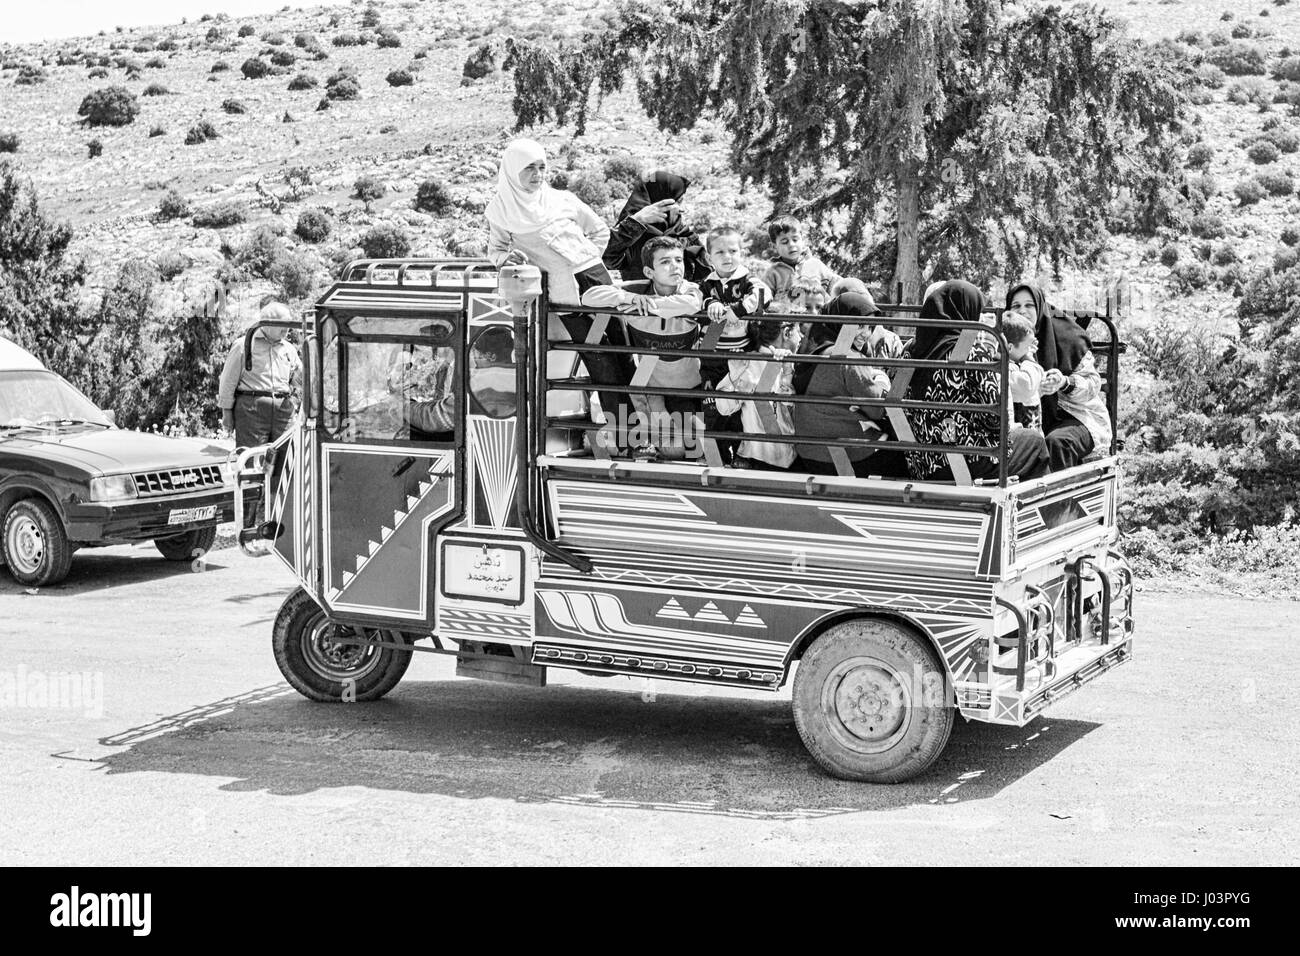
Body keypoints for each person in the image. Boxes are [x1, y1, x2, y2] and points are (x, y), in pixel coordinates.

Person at [484, 138, 633, 445]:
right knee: (600, 361)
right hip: (564, 295)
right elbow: (496, 250)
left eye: (542, 167)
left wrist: (584, 257)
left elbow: (600, 230)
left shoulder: (562, 199)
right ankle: (625, 436)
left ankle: (645, 428)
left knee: (624, 350)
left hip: (595, 279)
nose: (538, 175)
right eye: (530, 168)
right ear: (512, 171)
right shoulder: (500, 210)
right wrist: (506, 259)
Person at [904, 281, 1049, 483]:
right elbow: (996, 418)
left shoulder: (909, 351)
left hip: (923, 465)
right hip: (969, 461)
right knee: (1034, 442)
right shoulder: (971, 352)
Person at [581, 237, 704, 458]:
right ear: (649, 272)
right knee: (666, 449)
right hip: (651, 389)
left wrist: (645, 307)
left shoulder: (691, 289)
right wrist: (628, 298)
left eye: (679, 260)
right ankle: (638, 442)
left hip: (689, 388)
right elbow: (589, 297)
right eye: (665, 262)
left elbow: (691, 304)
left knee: (683, 451)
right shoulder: (638, 291)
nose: (675, 266)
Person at [791, 293, 903, 477]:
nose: (866, 334)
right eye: (859, 325)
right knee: (907, 455)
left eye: (871, 327)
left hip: (811, 453)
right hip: (846, 454)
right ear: (842, 322)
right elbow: (877, 409)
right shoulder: (847, 357)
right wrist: (882, 379)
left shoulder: (815, 349)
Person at [1005, 282, 1112, 469]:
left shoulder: (1067, 338)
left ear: (1039, 307)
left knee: (1057, 442)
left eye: (1029, 305)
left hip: (1074, 415)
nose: (1022, 311)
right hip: (1021, 417)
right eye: (1016, 306)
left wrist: (1064, 382)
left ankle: (1060, 498)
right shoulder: (1006, 340)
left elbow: (1092, 384)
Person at [698, 224, 770, 464]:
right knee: (714, 407)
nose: (727, 257)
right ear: (709, 257)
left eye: (733, 251)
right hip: (713, 358)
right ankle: (715, 456)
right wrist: (712, 305)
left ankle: (741, 455)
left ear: (741, 253)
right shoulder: (706, 284)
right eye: (720, 252)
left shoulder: (749, 280)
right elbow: (701, 300)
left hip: (741, 358)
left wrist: (737, 310)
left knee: (741, 409)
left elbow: (763, 296)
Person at [714, 318, 799, 470]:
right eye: (798, 332)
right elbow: (724, 408)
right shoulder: (748, 364)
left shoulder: (747, 363)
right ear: (787, 333)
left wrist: (733, 377)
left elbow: (723, 407)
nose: (801, 338)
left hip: (759, 457)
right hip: (782, 459)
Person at [219, 297, 301, 450]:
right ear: (267, 322)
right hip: (252, 410)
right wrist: (227, 413)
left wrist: (295, 402)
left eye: (289, 324)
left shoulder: (289, 349)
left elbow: (300, 379)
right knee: (252, 461)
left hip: (283, 410)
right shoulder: (243, 345)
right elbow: (227, 381)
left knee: (286, 460)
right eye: (283, 324)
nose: (287, 329)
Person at [603, 170, 709, 283]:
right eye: (676, 201)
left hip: (680, 299)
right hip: (642, 298)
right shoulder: (632, 235)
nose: (679, 208)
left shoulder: (681, 232)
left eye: (680, 201)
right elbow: (607, 258)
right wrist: (638, 220)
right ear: (658, 201)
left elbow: (707, 268)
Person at [762, 215, 839, 301]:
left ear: (802, 239)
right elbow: (763, 300)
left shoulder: (816, 265)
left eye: (795, 239)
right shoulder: (772, 272)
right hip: (786, 314)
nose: (791, 245)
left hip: (817, 313)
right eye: (784, 242)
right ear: (774, 246)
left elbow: (838, 286)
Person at [1001, 310, 1044, 431]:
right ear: (1009, 347)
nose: (1031, 349)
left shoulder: (1016, 363)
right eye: (1028, 346)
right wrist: (1029, 357)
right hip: (1019, 439)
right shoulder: (1006, 370)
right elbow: (1028, 385)